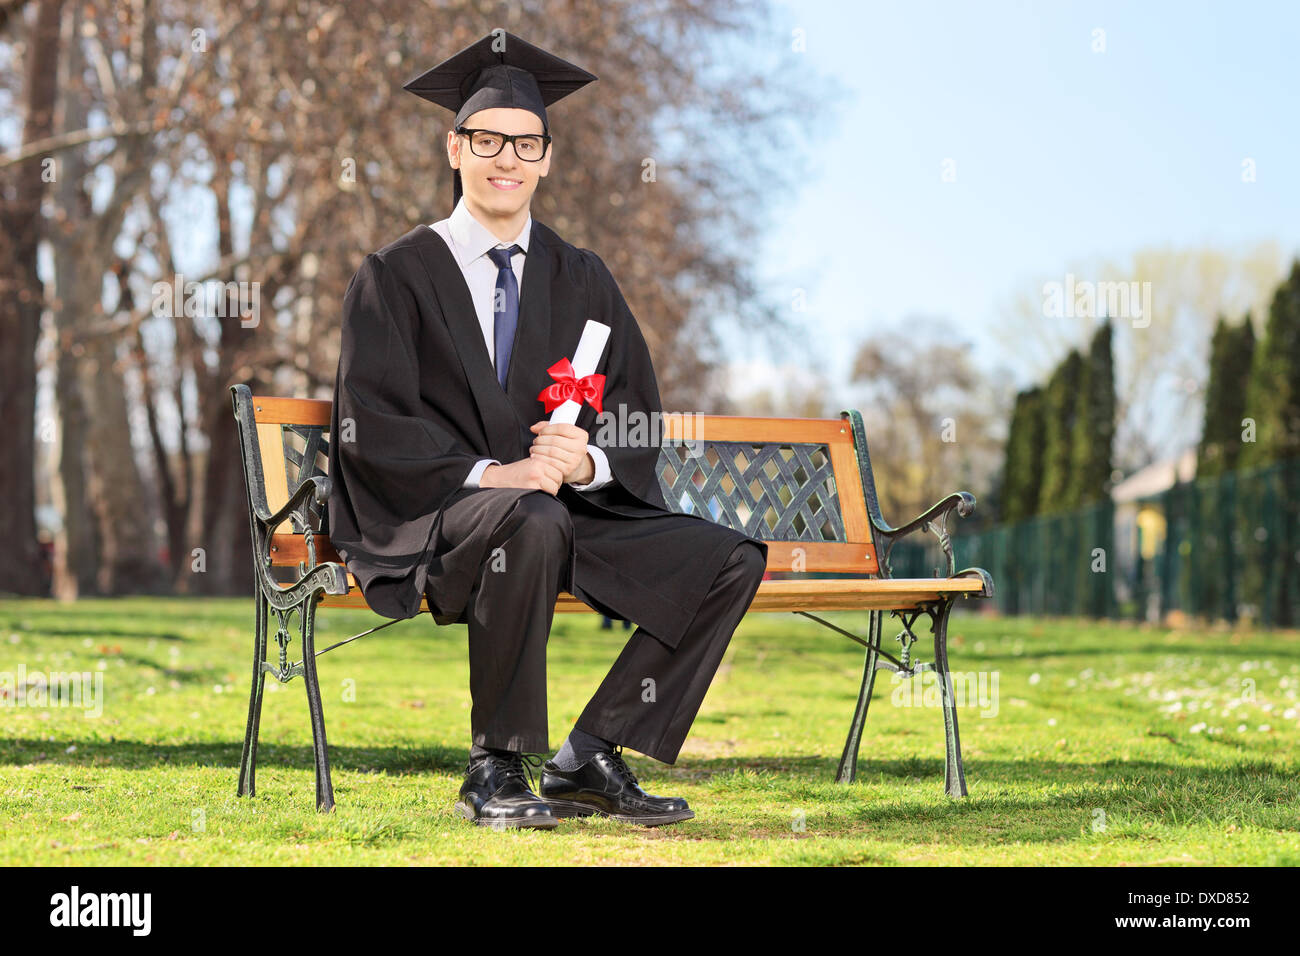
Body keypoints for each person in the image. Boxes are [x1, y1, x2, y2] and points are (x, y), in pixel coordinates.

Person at [326, 29, 768, 830]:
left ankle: (590, 755)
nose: (508, 159)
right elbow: (370, 424)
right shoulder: (395, 275)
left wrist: (590, 457)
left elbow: (636, 411)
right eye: (489, 140)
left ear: (548, 157)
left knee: (728, 559)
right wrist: (495, 477)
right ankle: (494, 767)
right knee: (528, 516)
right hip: (442, 517)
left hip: (565, 510)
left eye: (527, 143)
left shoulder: (583, 277)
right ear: (454, 147)